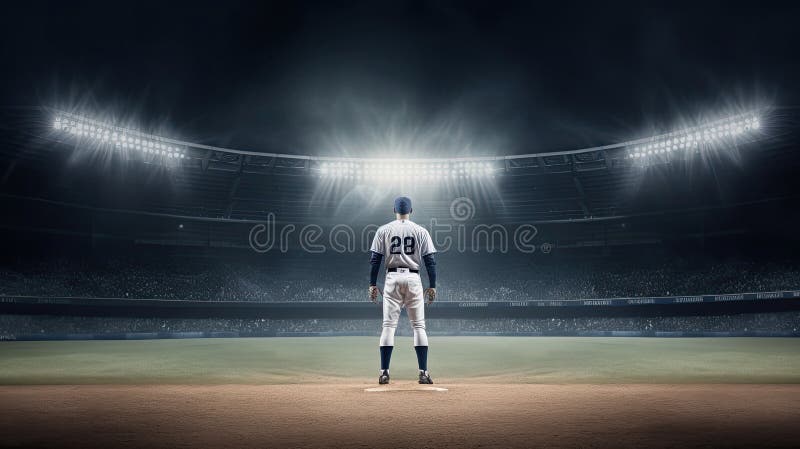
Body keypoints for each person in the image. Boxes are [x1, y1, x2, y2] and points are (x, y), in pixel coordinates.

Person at [369, 196, 437, 385]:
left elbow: (375, 259)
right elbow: (430, 261)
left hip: (391, 278)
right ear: (411, 211)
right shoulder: (420, 230)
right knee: (419, 326)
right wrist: (432, 285)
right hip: (413, 277)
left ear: (394, 210)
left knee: (388, 327)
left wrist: (372, 284)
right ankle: (423, 373)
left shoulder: (384, 230)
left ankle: (384, 372)